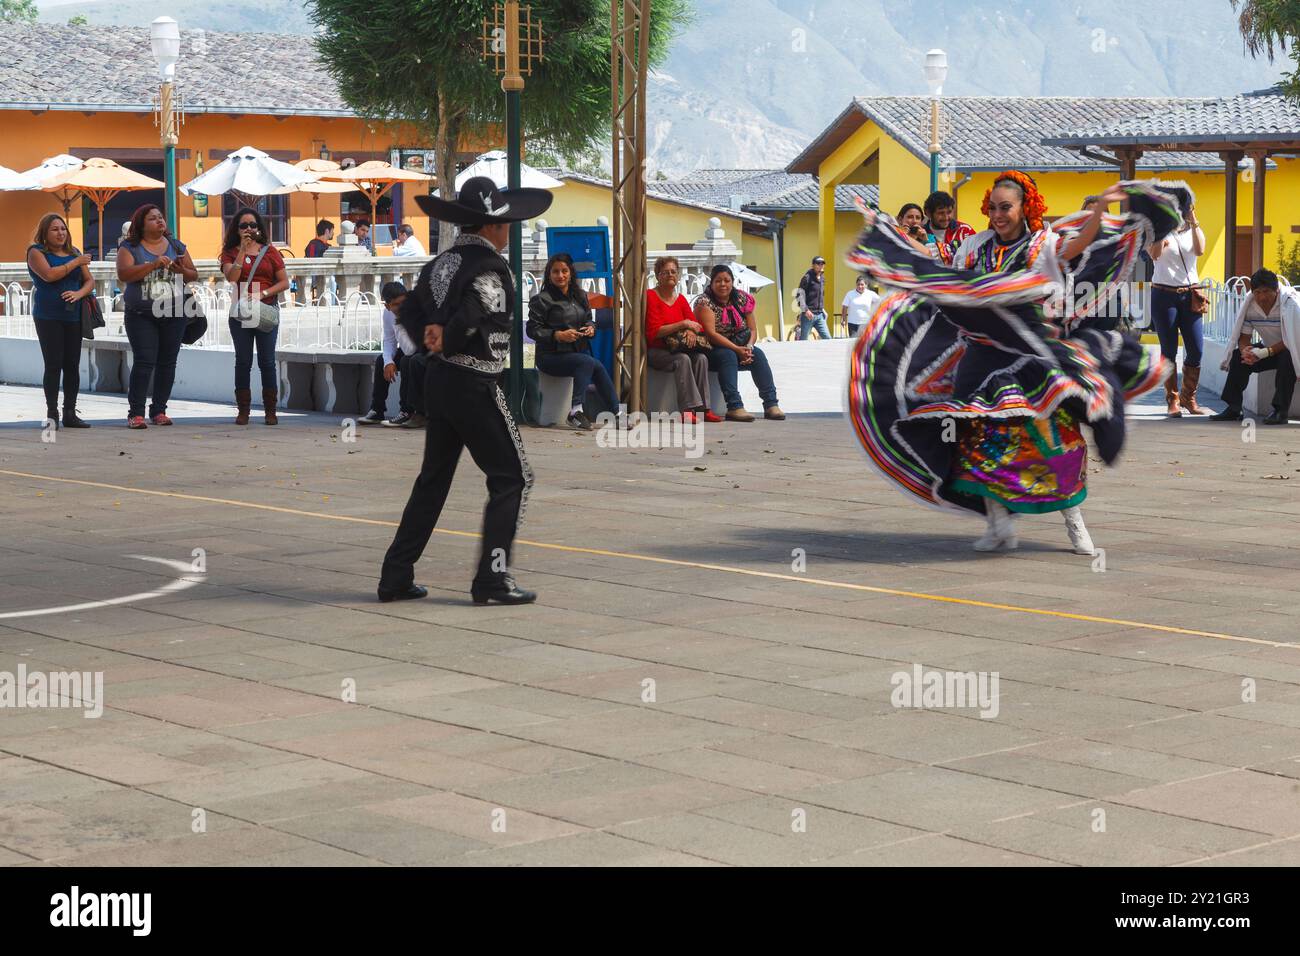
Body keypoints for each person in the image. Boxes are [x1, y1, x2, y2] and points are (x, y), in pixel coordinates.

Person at [846, 171, 1187, 556]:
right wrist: (891, 234)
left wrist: (1102, 210)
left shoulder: (1042, 244)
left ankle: (1074, 522)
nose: (998, 215)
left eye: (1005, 207)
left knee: (1053, 437)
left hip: (1030, 349)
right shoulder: (974, 247)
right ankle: (999, 524)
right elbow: (937, 265)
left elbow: (1076, 247)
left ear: (1026, 207)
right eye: (992, 208)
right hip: (981, 352)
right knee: (974, 440)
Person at [378, 175, 553, 606]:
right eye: (506, 223)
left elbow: (411, 312)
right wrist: (451, 336)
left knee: (433, 481)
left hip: (438, 384)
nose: (508, 229)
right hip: (474, 382)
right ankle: (492, 577)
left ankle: (396, 576)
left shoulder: (438, 263)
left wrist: (430, 338)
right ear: (492, 226)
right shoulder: (491, 266)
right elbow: (476, 308)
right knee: (513, 477)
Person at [116, 203, 199, 429]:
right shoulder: (130, 247)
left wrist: (179, 270)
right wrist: (152, 265)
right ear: (141, 224)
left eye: (161, 217)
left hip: (174, 312)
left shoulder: (175, 245)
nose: (160, 221)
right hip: (141, 314)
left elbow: (193, 274)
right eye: (153, 218)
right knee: (144, 361)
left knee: (167, 362)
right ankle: (136, 413)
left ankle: (159, 410)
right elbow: (124, 274)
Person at [527, 252, 618, 430]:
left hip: (575, 355)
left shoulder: (580, 296)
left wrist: (591, 328)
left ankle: (619, 413)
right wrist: (557, 335)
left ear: (571, 273)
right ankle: (576, 410)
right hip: (550, 357)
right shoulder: (541, 300)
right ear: (549, 274)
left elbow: (588, 319)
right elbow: (532, 330)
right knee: (586, 362)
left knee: (596, 365)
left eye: (564, 271)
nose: (560, 276)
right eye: (555, 272)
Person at [220, 207, 289, 426]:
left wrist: (263, 293)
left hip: (265, 310)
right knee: (243, 361)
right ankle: (243, 411)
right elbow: (232, 277)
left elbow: (284, 282)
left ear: (259, 228)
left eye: (253, 225)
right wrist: (242, 250)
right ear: (237, 229)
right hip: (241, 313)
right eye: (244, 225)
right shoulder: (230, 252)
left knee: (267, 362)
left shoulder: (270, 252)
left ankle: (270, 411)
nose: (249, 228)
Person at [26, 214, 95, 428]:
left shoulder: (73, 252)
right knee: (53, 364)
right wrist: (76, 261)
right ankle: (52, 412)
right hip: (48, 316)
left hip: (72, 315)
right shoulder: (36, 252)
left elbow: (90, 281)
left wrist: (79, 294)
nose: (60, 233)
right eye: (55, 229)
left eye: (63, 229)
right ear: (45, 233)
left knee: (72, 365)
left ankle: (70, 412)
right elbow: (49, 275)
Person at [695, 264, 784, 422]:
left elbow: (753, 329)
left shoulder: (742, 298)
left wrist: (748, 348)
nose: (723, 284)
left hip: (740, 346)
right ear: (711, 283)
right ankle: (734, 407)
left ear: (732, 282)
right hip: (712, 350)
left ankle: (771, 404)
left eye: (727, 280)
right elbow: (711, 334)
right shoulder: (704, 302)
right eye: (718, 281)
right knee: (727, 355)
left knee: (758, 354)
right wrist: (737, 350)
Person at [1210, 269, 1300, 424]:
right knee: (1238, 356)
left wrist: (1265, 353)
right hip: (1268, 349)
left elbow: (1292, 340)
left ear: (1276, 290)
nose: (1262, 297)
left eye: (1266, 291)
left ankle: (1280, 411)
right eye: (1257, 292)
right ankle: (1233, 407)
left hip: (1292, 350)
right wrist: (1247, 350)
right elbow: (1244, 336)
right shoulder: (1250, 305)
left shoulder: (1290, 304)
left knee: (1287, 359)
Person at [1148, 196, 1208, 416]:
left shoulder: (1194, 231)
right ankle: (1172, 399)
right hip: (1163, 295)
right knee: (1169, 350)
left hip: (1190, 295)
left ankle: (1188, 397)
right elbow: (1154, 256)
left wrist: (1194, 221)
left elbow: (1200, 251)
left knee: (1196, 349)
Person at [645, 255, 718, 424]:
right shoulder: (651, 296)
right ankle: (687, 410)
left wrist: (691, 331)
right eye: (665, 272)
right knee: (683, 359)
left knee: (701, 358)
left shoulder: (681, 299)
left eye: (673, 272)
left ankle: (704, 409)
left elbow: (695, 325)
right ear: (657, 276)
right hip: (657, 351)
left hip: (678, 348)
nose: (670, 275)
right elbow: (654, 332)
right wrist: (683, 324)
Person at [359, 282, 423, 427]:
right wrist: (389, 362)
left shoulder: (416, 310)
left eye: (403, 303)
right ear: (387, 306)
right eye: (396, 304)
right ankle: (377, 410)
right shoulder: (387, 314)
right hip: (410, 348)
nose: (401, 307)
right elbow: (389, 340)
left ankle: (406, 411)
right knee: (382, 360)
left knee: (407, 361)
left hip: (422, 349)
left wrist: (400, 322)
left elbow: (411, 349)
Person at [923, 191, 976, 267]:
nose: (946, 217)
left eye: (949, 212)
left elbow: (978, 257)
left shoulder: (965, 230)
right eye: (941, 213)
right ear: (928, 213)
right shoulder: (920, 234)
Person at [796, 255, 831, 340]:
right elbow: (799, 296)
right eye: (818, 263)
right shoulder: (807, 278)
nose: (821, 265)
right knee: (803, 340)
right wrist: (806, 310)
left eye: (822, 263)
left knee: (828, 339)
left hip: (820, 315)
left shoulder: (822, 278)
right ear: (813, 265)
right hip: (808, 315)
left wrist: (822, 309)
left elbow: (819, 296)